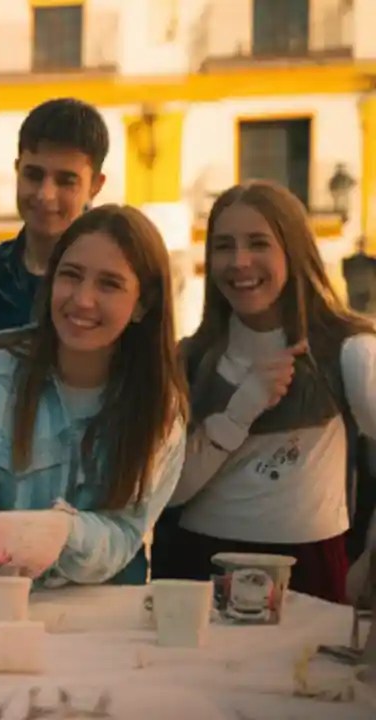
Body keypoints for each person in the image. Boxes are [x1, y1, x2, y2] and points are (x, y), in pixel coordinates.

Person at [0, 205, 186, 588]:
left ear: (143, 304)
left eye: (109, 284)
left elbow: (125, 532)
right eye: (71, 275)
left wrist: (63, 532)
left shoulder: (160, 410)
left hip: (97, 623)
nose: (82, 299)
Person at [153, 181, 376, 602]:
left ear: (293, 251)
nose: (239, 262)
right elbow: (168, 490)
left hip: (311, 572)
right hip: (197, 567)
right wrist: (238, 413)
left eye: (258, 243)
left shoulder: (349, 354)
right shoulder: (189, 360)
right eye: (223, 246)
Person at [0, 98, 108, 336]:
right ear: (17, 170)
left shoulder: (115, 288)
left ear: (95, 186)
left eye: (66, 181)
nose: (45, 194)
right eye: (34, 175)